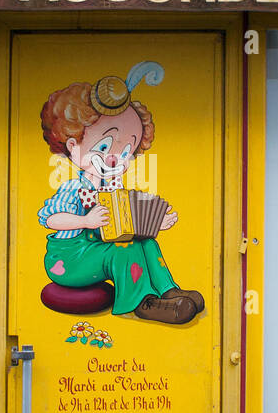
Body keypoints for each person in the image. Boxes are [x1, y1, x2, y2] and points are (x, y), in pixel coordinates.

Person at [38, 62, 204, 324]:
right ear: (73, 144)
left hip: (94, 250)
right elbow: (50, 219)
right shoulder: (74, 187)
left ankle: (168, 290)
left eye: (126, 151)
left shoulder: (111, 189)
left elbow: (124, 225)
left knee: (145, 242)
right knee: (123, 251)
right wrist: (85, 221)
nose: (117, 158)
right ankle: (140, 303)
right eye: (104, 145)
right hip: (68, 258)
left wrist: (155, 224)